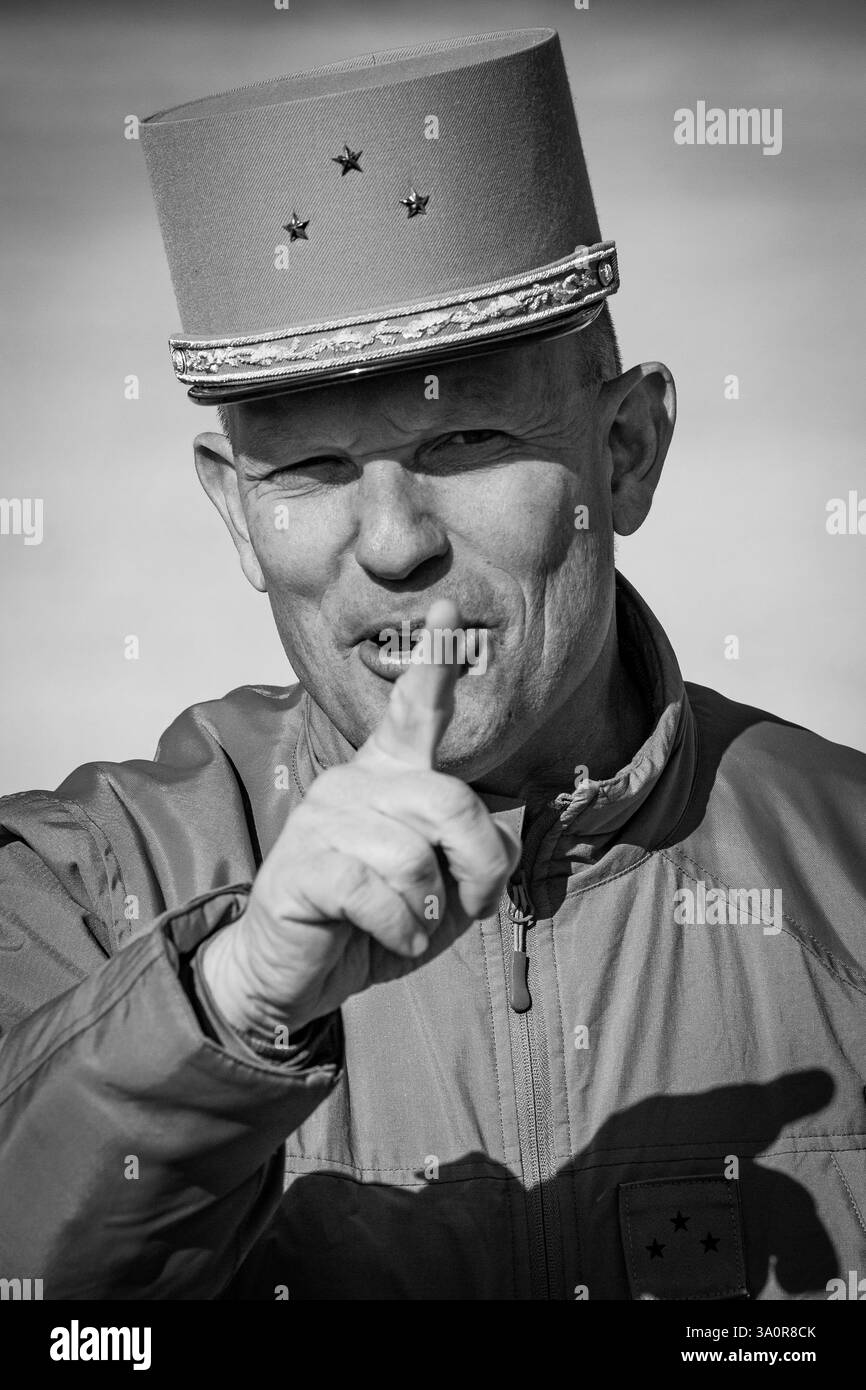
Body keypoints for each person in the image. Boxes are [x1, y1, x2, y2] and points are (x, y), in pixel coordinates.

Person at [0, 29, 864, 1302]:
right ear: (237, 514)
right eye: (308, 468)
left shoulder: (845, 878)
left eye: (463, 436)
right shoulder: (77, 893)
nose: (396, 542)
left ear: (622, 453)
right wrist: (228, 1006)